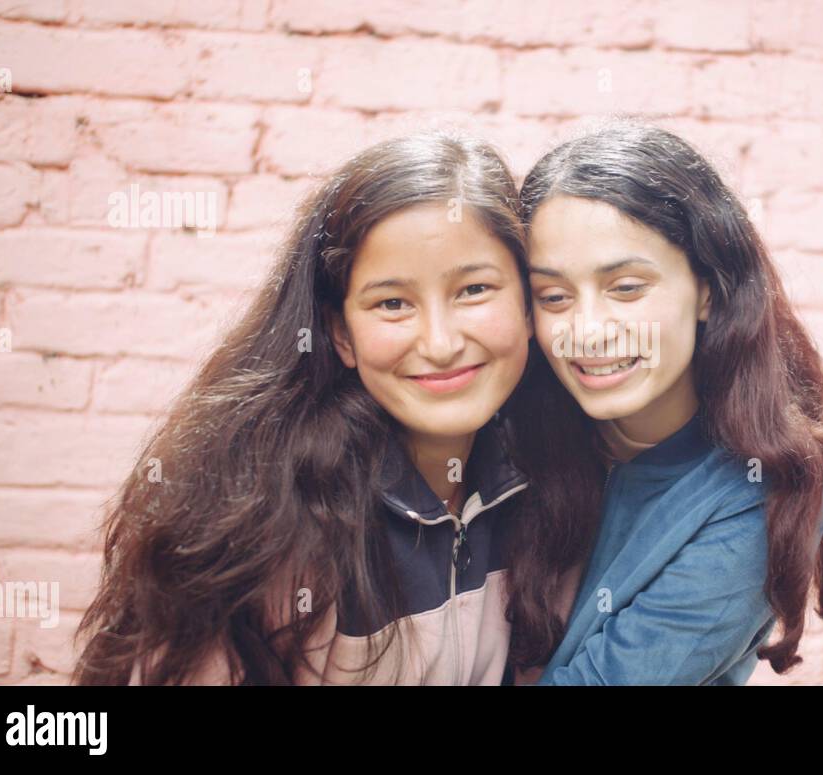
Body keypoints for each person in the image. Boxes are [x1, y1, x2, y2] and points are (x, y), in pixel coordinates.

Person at [72, 130, 535, 685]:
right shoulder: (271, 512)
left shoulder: (551, 484)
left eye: (474, 290)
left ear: (530, 305)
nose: (439, 343)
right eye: (392, 303)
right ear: (341, 334)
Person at [502, 122, 823, 685]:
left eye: (626, 287)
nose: (588, 332)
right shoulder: (506, 437)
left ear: (708, 290)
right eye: (554, 296)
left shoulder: (756, 493)